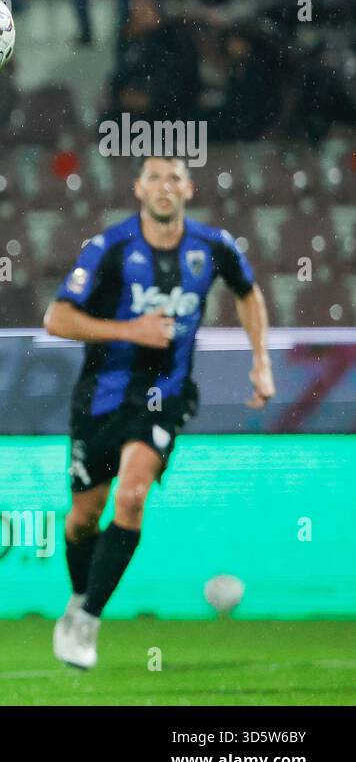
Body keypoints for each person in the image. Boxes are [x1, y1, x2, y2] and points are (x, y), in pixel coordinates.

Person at [43, 155, 275, 670]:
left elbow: (248, 293)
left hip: (163, 396)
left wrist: (261, 362)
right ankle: (79, 597)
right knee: (83, 518)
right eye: (155, 178)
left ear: (188, 189)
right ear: (138, 190)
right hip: (100, 396)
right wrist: (131, 330)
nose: (165, 186)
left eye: (174, 177)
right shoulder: (110, 247)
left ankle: (88, 619)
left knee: (130, 496)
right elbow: (56, 318)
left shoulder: (213, 247)